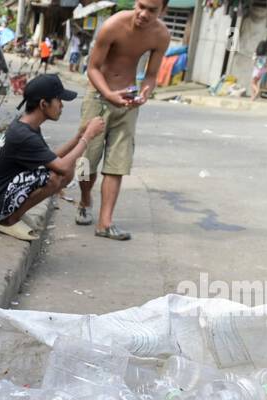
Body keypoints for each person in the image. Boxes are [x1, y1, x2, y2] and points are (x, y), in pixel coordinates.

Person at [74, 0, 171, 241]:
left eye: (152, 10)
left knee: (118, 163)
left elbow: (150, 75)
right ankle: (85, 199)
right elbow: (93, 67)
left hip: (127, 100)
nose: (144, 14)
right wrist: (108, 94)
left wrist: (145, 92)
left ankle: (105, 223)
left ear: (163, 11)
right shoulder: (113, 25)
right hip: (99, 97)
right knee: (87, 161)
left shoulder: (161, 35)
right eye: (141, 6)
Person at [0, 74, 107, 241]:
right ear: (43, 104)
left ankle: (14, 214)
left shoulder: (27, 127)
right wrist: (88, 137)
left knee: (65, 172)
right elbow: (60, 167)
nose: (61, 105)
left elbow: (52, 159)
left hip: (0, 196)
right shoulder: (24, 134)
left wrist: (78, 137)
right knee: (55, 177)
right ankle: (10, 220)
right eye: (59, 100)